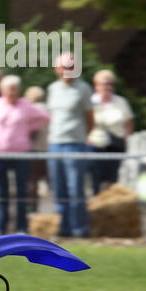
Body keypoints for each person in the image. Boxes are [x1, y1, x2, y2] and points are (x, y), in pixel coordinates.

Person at [0, 74, 49, 234]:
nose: (12, 92)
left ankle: (22, 227)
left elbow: (44, 118)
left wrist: (28, 128)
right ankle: (0, 227)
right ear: (3, 90)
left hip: (21, 153)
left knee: (22, 191)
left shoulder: (25, 105)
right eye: (9, 89)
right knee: (1, 192)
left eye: (15, 89)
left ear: (19, 90)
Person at [46, 53, 93, 238]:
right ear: (57, 69)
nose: (67, 70)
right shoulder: (53, 88)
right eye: (64, 67)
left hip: (75, 144)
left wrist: (82, 137)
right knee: (59, 189)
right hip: (55, 143)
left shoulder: (83, 88)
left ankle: (79, 228)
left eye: (71, 66)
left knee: (76, 188)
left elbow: (90, 118)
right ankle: (63, 228)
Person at [88, 69, 133, 191]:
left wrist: (126, 137)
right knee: (96, 179)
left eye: (110, 84)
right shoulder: (90, 102)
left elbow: (129, 122)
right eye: (105, 84)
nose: (108, 87)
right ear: (96, 85)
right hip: (95, 145)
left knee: (112, 179)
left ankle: (111, 207)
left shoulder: (121, 102)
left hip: (116, 145)